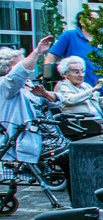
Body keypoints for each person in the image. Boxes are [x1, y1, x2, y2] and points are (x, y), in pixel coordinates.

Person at [1, 35, 60, 167]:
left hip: (50, 132)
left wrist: (45, 94)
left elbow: (57, 102)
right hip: (29, 138)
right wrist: (38, 52)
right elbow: (20, 72)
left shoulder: (28, 84)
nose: (28, 67)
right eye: (20, 64)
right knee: (72, 155)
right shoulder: (5, 85)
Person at [54, 56, 103, 136]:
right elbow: (70, 100)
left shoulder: (85, 86)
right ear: (65, 74)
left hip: (101, 121)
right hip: (84, 124)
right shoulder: (62, 87)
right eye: (76, 72)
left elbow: (102, 103)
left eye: (83, 71)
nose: (81, 75)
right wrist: (94, 89)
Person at [46, 10, 101, 86]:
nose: (96, 22)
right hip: (76, 89)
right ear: (82, 21)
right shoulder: (69, 36)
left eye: (98, 20)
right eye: (92, 19)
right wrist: (47, 78)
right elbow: (52, 56)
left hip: (102, 89)